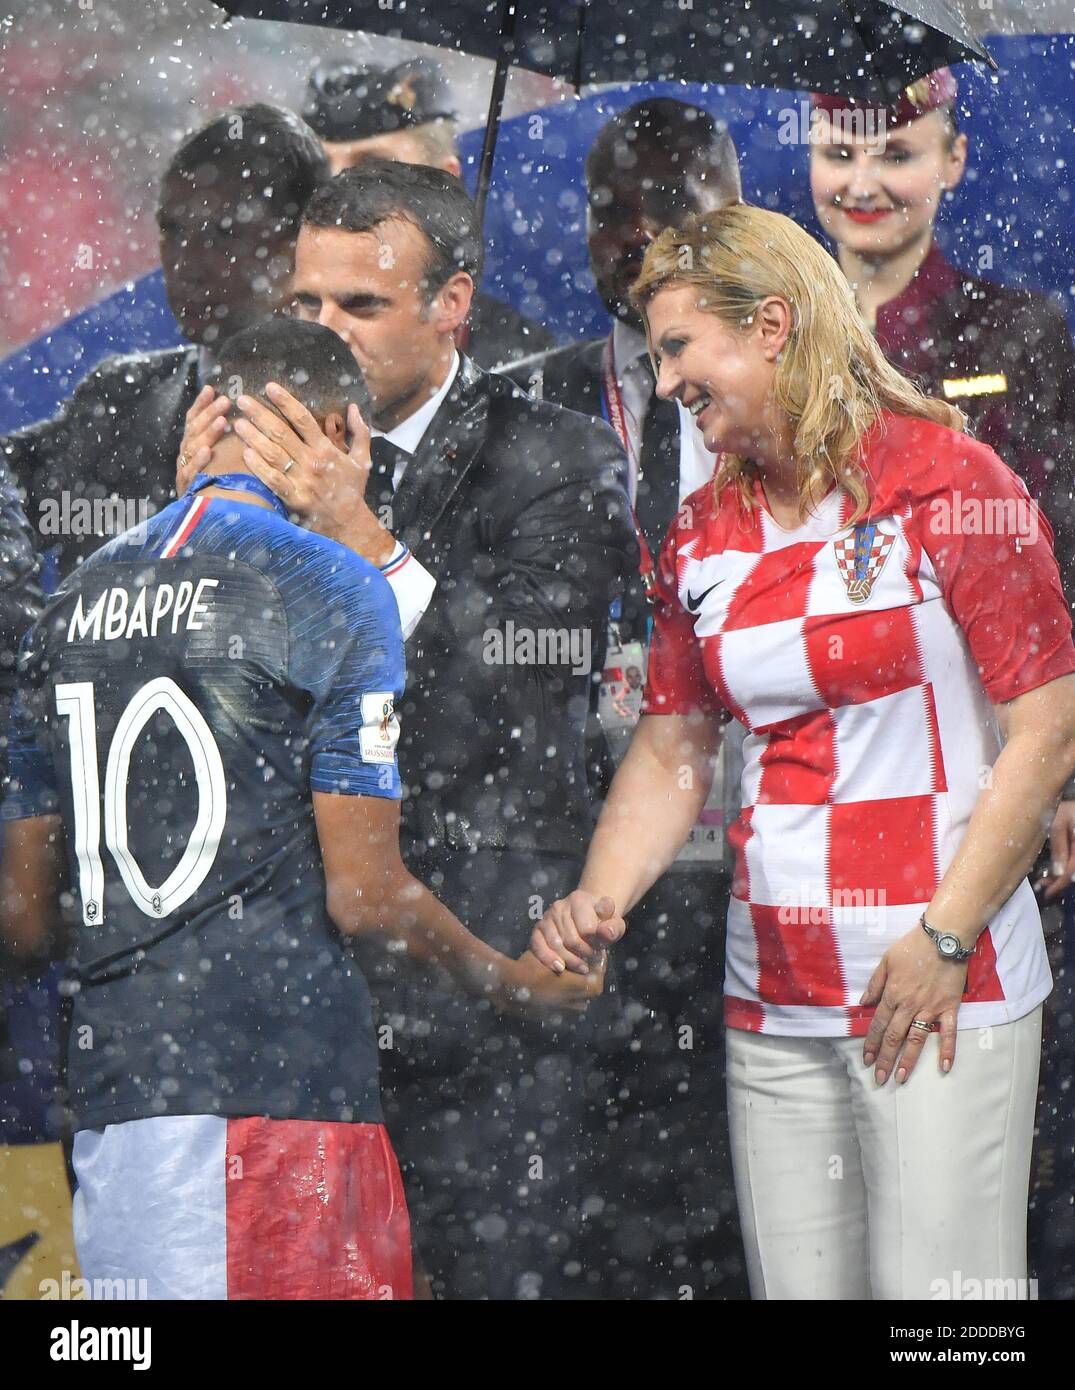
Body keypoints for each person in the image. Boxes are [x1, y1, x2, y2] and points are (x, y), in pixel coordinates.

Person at [528, 202, 1075, 1300]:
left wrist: (947, 934)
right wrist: (598, 893)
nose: (667, 376)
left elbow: (1050, 727)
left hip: (935, 978)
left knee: (948, 1315)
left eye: (680, 344)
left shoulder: (952, 481)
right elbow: (676, 741)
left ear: (772, 323)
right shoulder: (698, 531)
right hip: (772, 986)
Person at [0, 318, 598, 1300]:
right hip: (276, 1093)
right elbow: (366, 897)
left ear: (204, 417)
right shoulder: (335, 586)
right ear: (342, 432)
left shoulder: (72, 606)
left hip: (117, 1105)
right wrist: (514, 984)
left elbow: (23, 920)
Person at [176, 160, 636, 1299]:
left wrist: (360, 532)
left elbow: (528, 687)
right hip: (301, 973)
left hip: (490, 960)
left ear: (453, 305)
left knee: (495, 1273)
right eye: (305, 306)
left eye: (361, 306)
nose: (324, 333)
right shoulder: (241, 467)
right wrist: (189, 529)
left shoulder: (557, 455)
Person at [507, 97, 746, 1297]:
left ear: (736, 214)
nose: (638, 231)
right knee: (583, 1245)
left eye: (674, 201)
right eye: (611, 207)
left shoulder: (811, 414)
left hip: (770, 881)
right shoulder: (515, 411)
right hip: (573, 879)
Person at [0, 105, 328, 580]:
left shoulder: (363, 417)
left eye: (224, 233)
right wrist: (26, 632)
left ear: (302, 241)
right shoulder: (120, 398)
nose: (187, 263)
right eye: (174, 230)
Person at [303, 57, 555, 369]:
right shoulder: (253, 338)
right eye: (318, 167)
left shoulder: (525, 365)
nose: (335, 188)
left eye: (372, 168)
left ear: (444, 179)